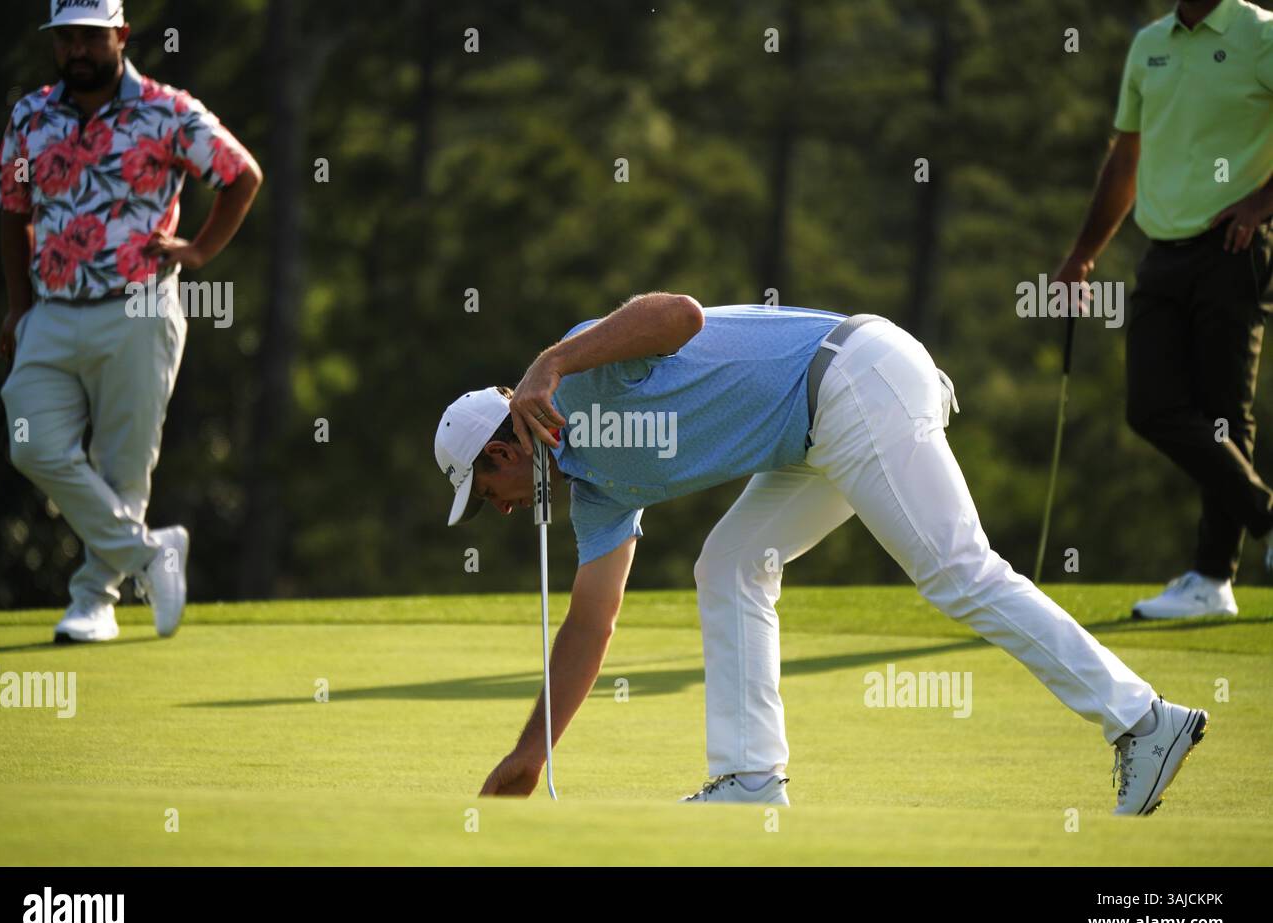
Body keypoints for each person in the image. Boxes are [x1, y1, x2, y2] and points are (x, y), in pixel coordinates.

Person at [435, 293, 1208, 814]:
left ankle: (1142, 718)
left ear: (504, 449)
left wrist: (553, 360)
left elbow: (681, 315)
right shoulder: (594, 486)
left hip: (853, 376)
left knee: (956, 570)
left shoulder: (579, 371)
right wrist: (530, 751)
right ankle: (749, 777)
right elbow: (591, 623)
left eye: (487, 490)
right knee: (730, 563)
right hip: (815, 429)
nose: (497, 510)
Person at [0, 0, 263, 641]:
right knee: (30, 443)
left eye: (89, 36)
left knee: (122, 465)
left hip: (139, 308)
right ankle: (148, 553)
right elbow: (13, 209)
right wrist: (18, 307)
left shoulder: (167, 110)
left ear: (121, 35)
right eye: (65, 39)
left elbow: (240, 175)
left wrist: (198, 251)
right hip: (51, 312)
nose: (75, 50)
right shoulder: (30, 116)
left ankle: (94, 600)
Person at [1054, 0, 1273, 620]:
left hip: (1236, 247)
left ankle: (1211, 580)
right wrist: (1081, 255)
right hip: (1163, 252)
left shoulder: (1260, 35)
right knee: (1151, 407)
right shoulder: (1151, 43)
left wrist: (1262, 204)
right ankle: (1263, 520)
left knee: (1226, 413)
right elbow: (1126, 160)